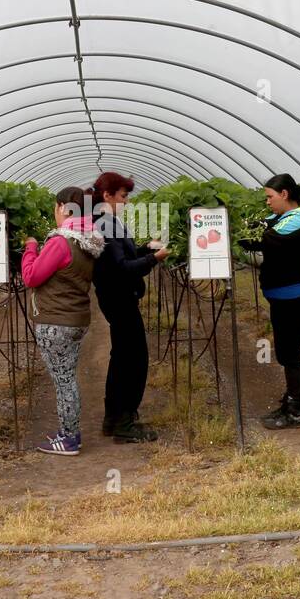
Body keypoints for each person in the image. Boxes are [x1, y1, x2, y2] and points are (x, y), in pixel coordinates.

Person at [22, 186, 105, 455]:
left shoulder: (60, 242)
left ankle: (68, 438)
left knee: (63, 380)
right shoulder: (87, 239)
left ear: (62, 207)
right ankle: (72, 434)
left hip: (56, 321)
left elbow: (31, 277)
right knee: (67, 376)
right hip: (76, 318)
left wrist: (31, 248)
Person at [239, 174, 300, 429]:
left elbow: (262, 240)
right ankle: (289, 403)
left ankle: (295, 412)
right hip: (284, 300)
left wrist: (248, 233)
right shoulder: (284, 219)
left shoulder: (299, 220)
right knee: (286, 354)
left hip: (295, 301)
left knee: (292, 356)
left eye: (270, 197)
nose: (267, 202)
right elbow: (255, 234)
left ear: (284, 194)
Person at [90, 171, 170, 443]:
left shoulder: (107, 222)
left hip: (116, 298)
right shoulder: (104, 226)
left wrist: (147, 248)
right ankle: (125, 422)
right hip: (119, 298)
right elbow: (122, 269)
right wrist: (155, 259)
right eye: (123, 196)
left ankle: (113, 418)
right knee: (134, 359)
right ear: (107, 196)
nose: (125, 201)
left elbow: (125, 255)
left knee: (121, 356)